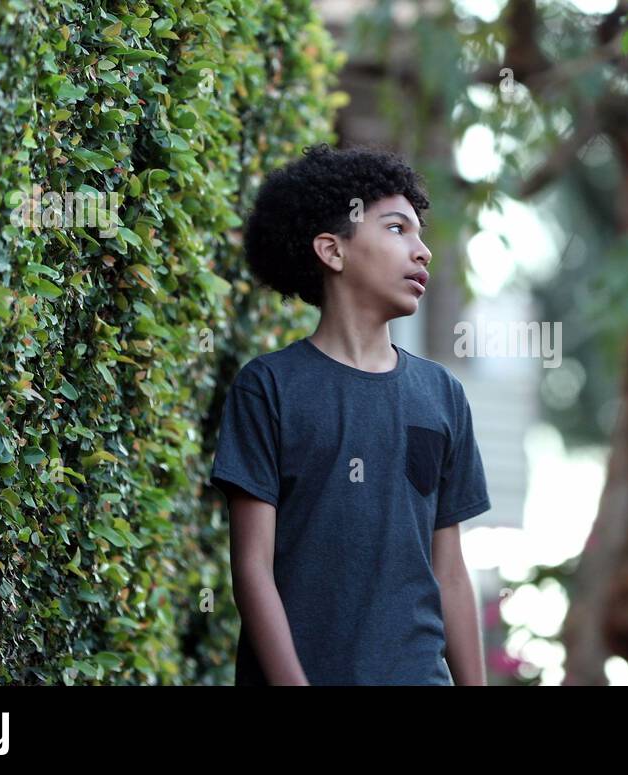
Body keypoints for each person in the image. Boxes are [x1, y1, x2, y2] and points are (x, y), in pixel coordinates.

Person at [209, 144, 491, 685]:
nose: (422, 250)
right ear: (332, 251)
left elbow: (450, 569)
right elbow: (251, 567)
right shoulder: (268, 388)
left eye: (420, 232)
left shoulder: (442, 395)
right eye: (396, 229)